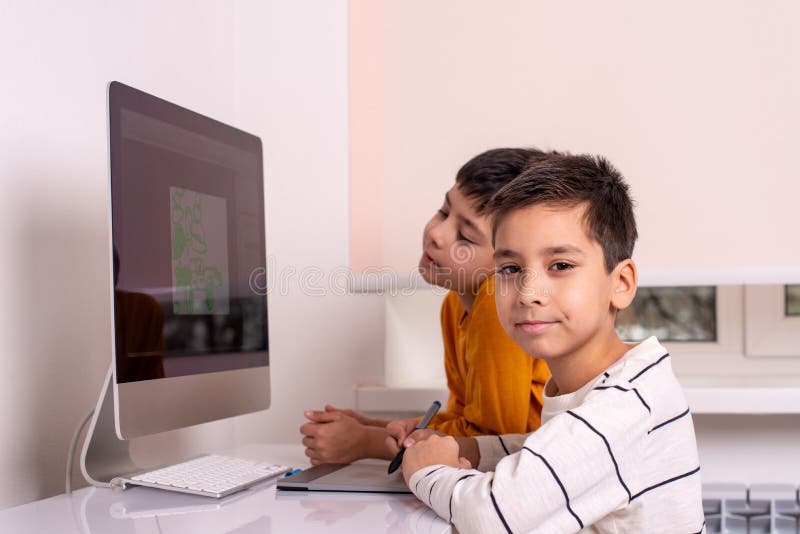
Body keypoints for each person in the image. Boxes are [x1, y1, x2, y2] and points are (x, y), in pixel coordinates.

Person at [389, 154, 704, 532]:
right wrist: (470, 449)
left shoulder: (622, 407)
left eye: (560, 266)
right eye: (510, 269)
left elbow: (493, 516)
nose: (528, 293)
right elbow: (545, 452)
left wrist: (427, 469)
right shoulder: (613, 385)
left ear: (620, 284)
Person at [299, 148, 553, 465]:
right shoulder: (453, 305)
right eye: (444, 212)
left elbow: (494, 439)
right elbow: (463, 422)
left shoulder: (497, 304)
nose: (436, 233)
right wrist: (371, 426)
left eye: (465, 236)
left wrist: (367, 442)